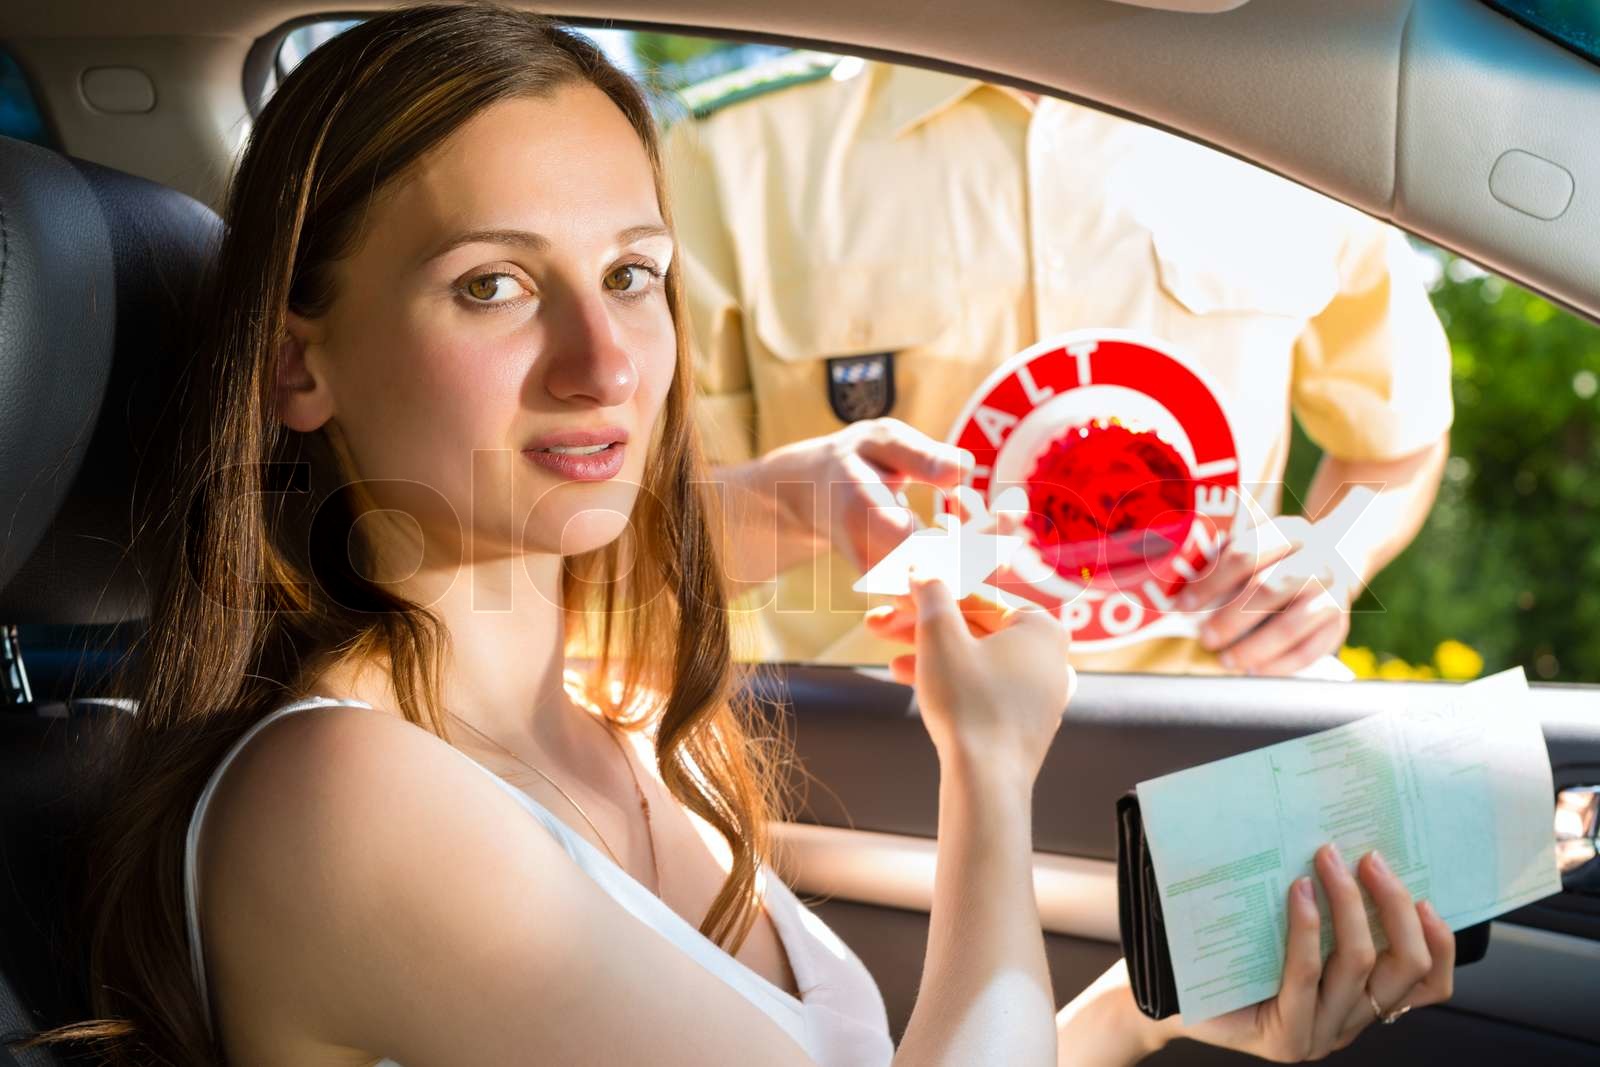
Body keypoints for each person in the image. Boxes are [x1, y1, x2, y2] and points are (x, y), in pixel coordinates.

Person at [27, 6, 1455, 1066]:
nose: (605, 360)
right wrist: (991, 766)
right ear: (299, 366)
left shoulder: (608, 718)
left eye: (633, 274)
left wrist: (1139, 1010)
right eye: (490, 286)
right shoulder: (345, 796)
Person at [662, 53, 1453, 677]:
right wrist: (802, 508)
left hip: (1205, 750)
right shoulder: (734, 155)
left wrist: (1329, 556)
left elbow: (1398, 441)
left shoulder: (1285, 141)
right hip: (875, 768)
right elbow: (636, 536)